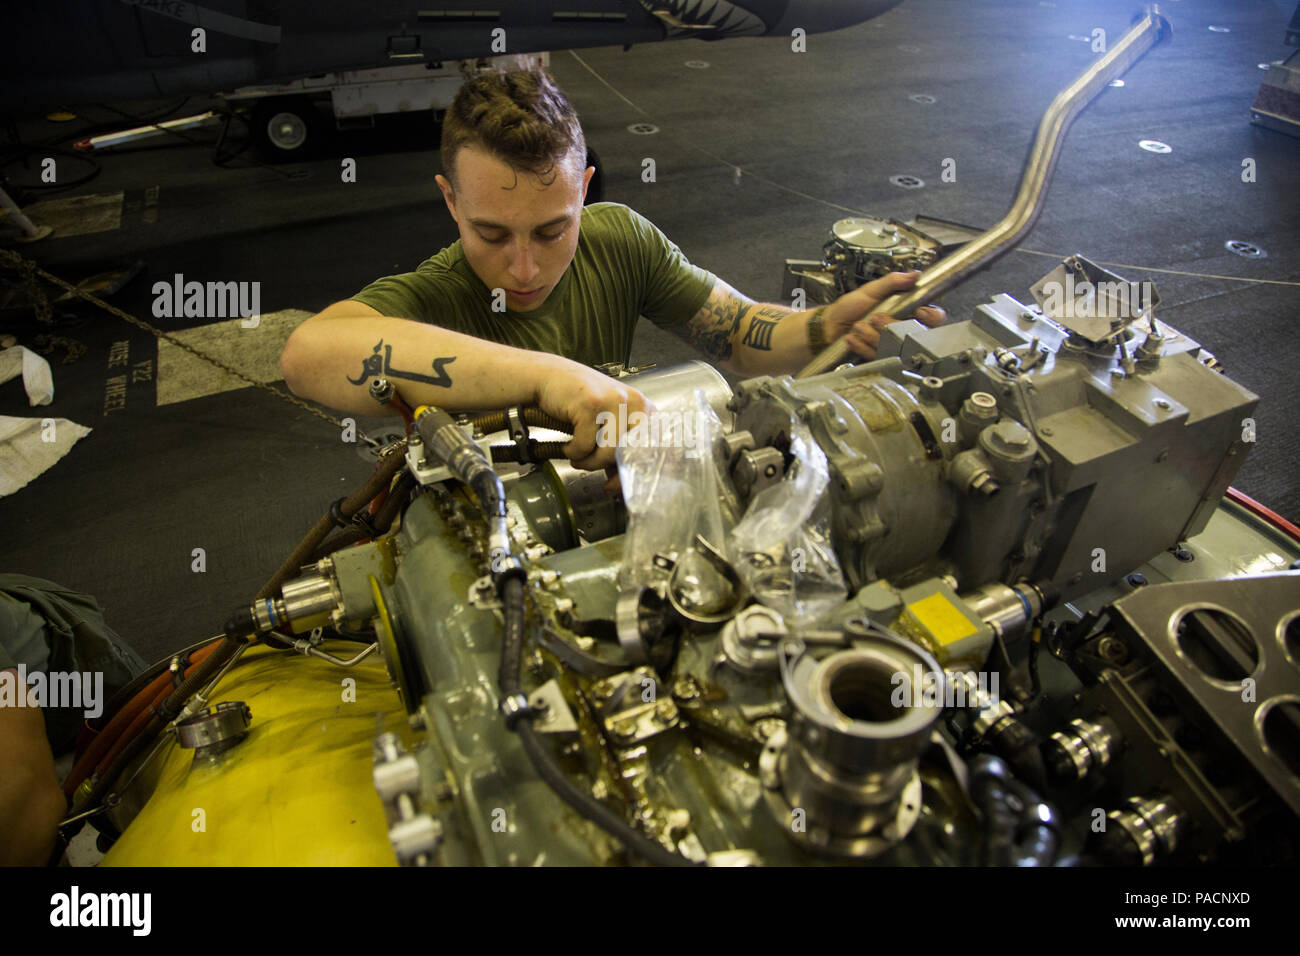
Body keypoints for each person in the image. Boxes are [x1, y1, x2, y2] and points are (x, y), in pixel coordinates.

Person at [279, 69, 944, 474]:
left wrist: (826, 321)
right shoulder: (434, 294)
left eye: (552, 228)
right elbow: (309, 355)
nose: (524, 265)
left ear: (584, 190)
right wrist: (552, 378)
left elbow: (741, 333)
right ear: (450, 200)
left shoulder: (618, 237)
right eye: (490, 233)